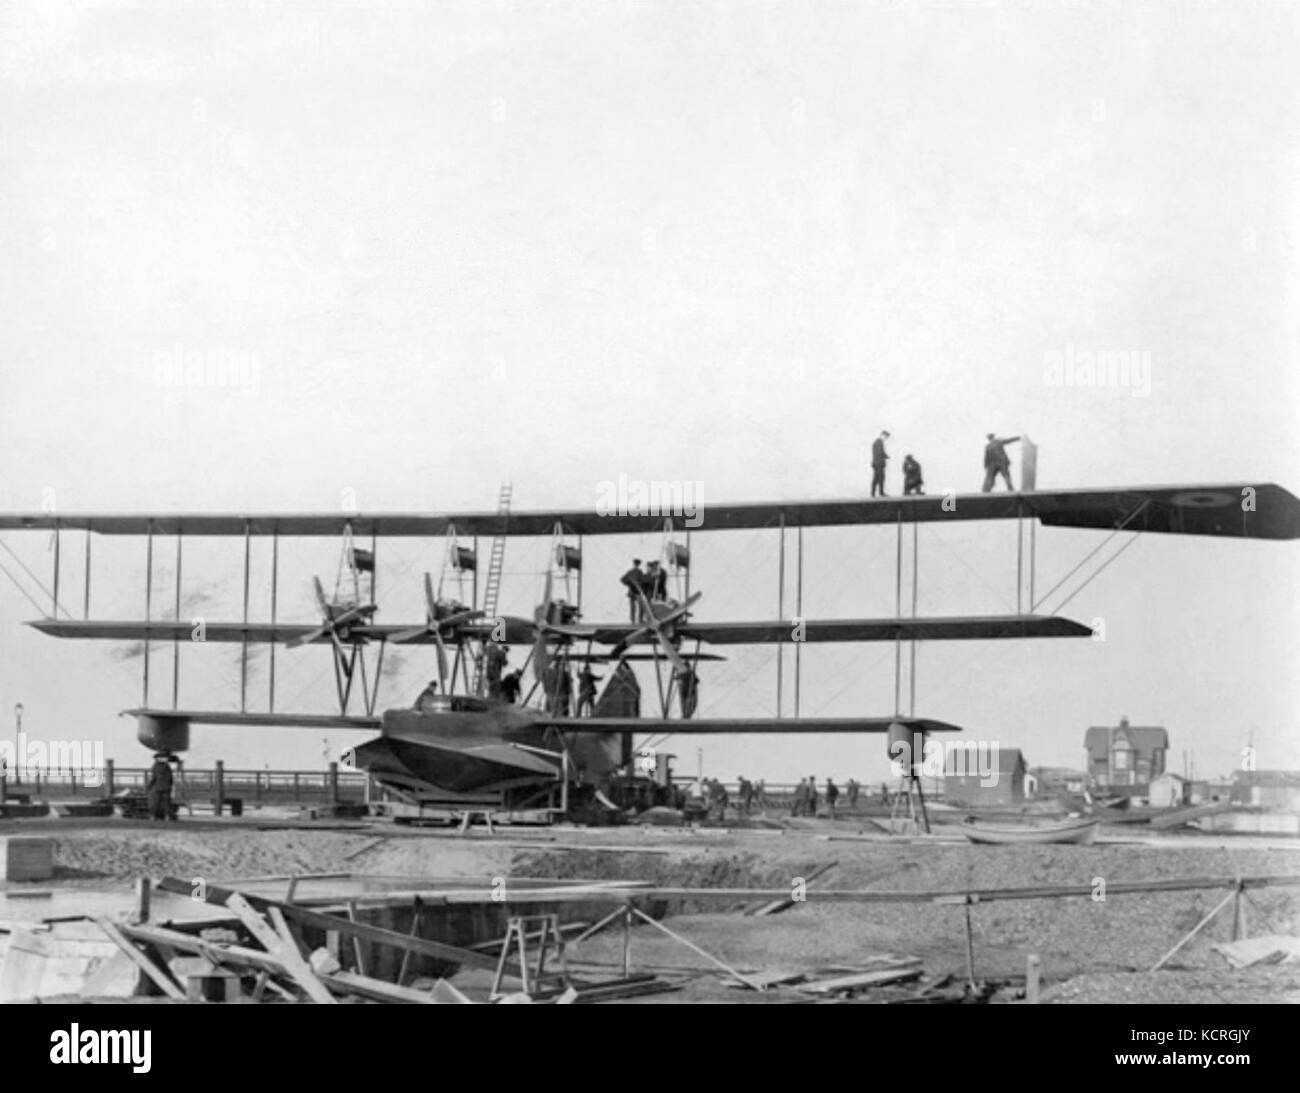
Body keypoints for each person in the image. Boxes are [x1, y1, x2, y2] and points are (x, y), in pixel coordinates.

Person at [146, 752, 174, 822]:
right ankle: (167, 816)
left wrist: (149, 786)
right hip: (166, 787)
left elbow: (154, 778)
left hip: (158, 786)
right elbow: (170, 778)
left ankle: (153, 816)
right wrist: (170, 785)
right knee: (166, 802)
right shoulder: (166, 766)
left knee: (154, 802)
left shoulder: (155, 766)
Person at [871, 430, 890, 497]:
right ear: (883, 435)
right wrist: (886, 456)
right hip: (879, 463)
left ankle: (873, 493)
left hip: (876, 463)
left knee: (876, 478)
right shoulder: (879, 442)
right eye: (886, 437)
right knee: (881, 478)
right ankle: (881, 492)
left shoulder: (876, 442)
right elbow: (880, 452)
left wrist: (885, 455)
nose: (886, 439)